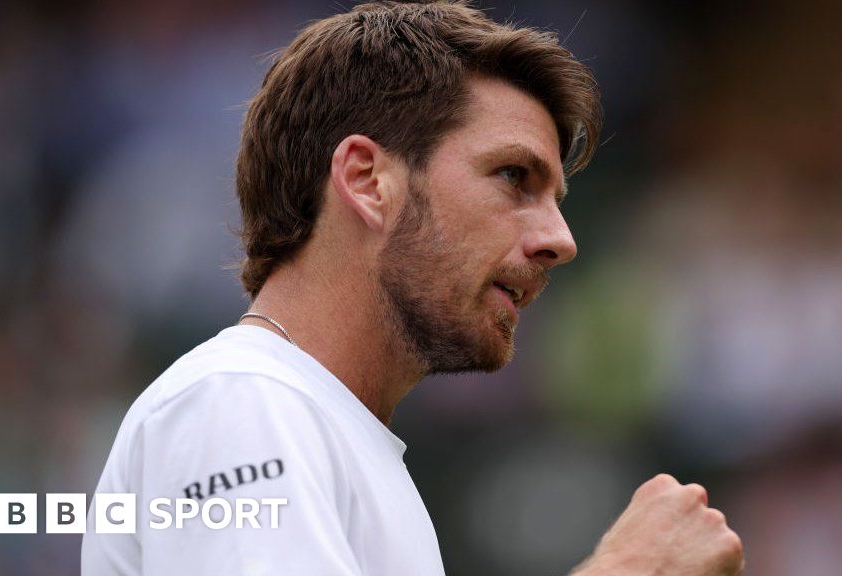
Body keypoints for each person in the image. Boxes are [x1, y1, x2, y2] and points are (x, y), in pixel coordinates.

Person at [82, 2, 744, 575]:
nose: (560, 238)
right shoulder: (243, 401)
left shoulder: (318, 427)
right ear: (369, 181)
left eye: (557, 198)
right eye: (514, 176)